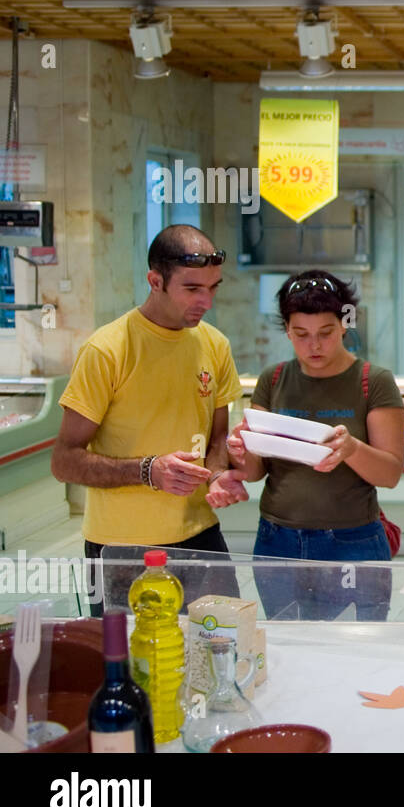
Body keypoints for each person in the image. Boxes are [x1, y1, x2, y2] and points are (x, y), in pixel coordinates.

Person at [51, 225, 247, 614]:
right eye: (192, 289)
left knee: (223, 653)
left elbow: (217, 438)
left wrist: (220, 474)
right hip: (122, 547)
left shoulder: (215, 344)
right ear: (154, 281)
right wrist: (148, 471)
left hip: (200, 535)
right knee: (130, 667)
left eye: (214, 288)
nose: (206, 302)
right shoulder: (107, 350)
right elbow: (64, 461)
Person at [225, 270, 404, 621]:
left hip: (352, 540)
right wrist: (239, 450)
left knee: (356, 654)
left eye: (325, 333)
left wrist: (351, 449)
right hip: (278, 540)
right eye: (301, 335)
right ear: (287, 330)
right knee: (289, 651)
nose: (314, 346)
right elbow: (254, 471)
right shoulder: (273, 379)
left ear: (343, 325)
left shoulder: (374, 381)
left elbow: (390, 473)